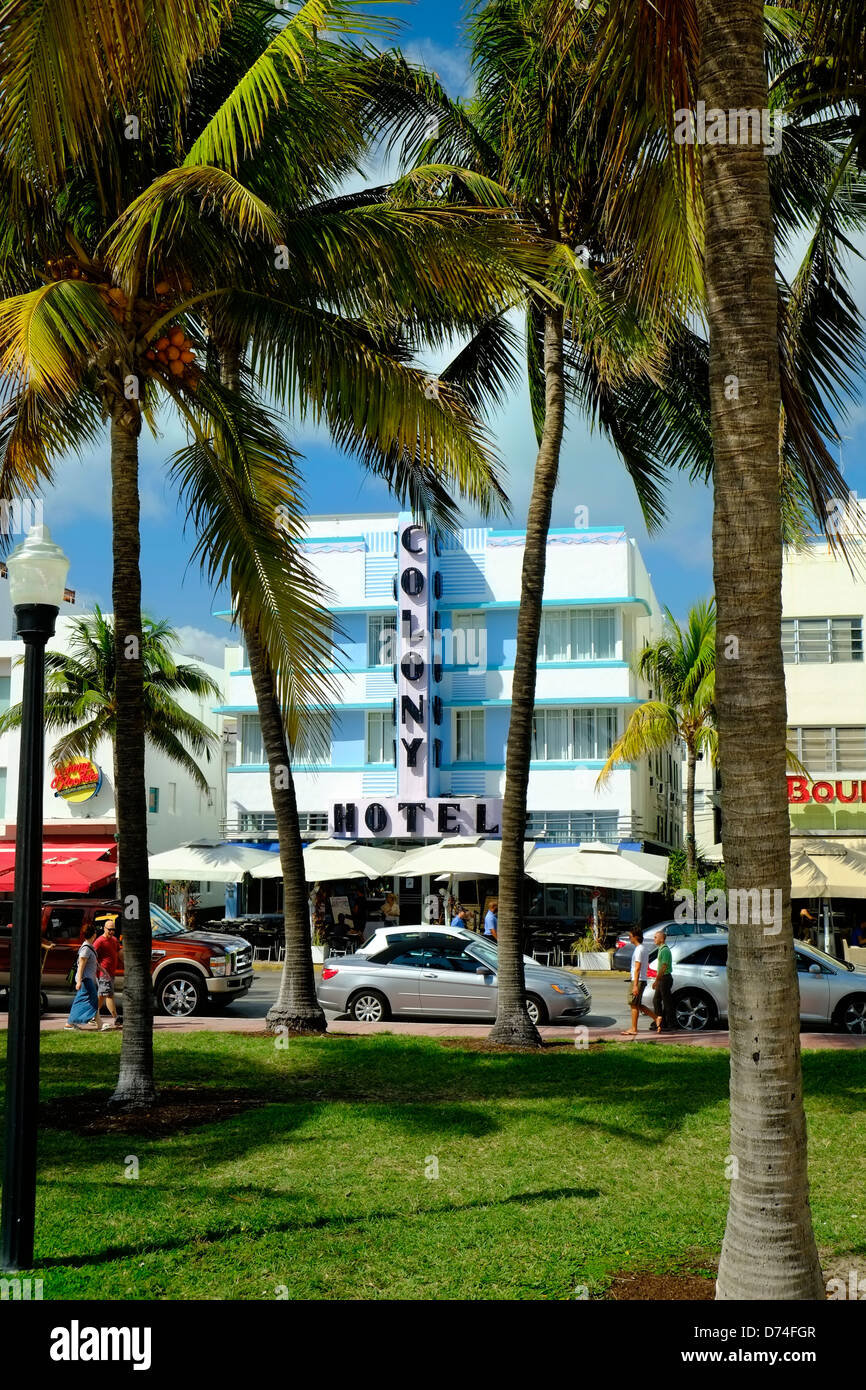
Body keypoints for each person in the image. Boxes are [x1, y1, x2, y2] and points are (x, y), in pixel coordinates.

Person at [64, 922, 101, 1031]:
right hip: (85, 979)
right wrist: (79, 981)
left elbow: (93, 963)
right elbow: (81, 966)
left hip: (87, 979)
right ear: (94, 934)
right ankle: (70, 1022)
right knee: (90, 1000)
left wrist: (102, 970)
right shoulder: (86, 948)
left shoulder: (89, 947)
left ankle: (98, 1023)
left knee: (87, 1000)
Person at [621, 927, 655, 1037]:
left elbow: (637, 968)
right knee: (637, 1004)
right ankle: (657, 1018)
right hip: (641, 979)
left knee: (633, 1004)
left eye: (630, 936)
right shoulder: (642, 948)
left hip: (638, 980)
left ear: (635, 937)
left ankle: (634, 1028)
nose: (629, 938)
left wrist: (635, 985)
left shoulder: (639, 949)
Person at [93, 913, 121, 1031]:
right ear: (104, 929)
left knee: (101, 995)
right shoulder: (99, 941)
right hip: (103, 974)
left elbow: (119, 952)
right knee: (108, 995)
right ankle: (116, 1018)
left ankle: (93, 1015)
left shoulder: (114, 940)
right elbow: (91, 954)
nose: (111, 932)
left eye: (113, 930)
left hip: (111, 973)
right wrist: (99, 968)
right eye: (109, 929)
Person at [653, 929, 675, 1033]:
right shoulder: (661, 949)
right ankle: (658, 1021)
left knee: (667, 1002)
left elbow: (664, 966)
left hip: (665, 978)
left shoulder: (665, 950)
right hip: (662, 978)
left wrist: (657, 980)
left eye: (656, 937)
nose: (654, 939)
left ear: (662, 939)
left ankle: (669, 1024)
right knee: (656, 1000)